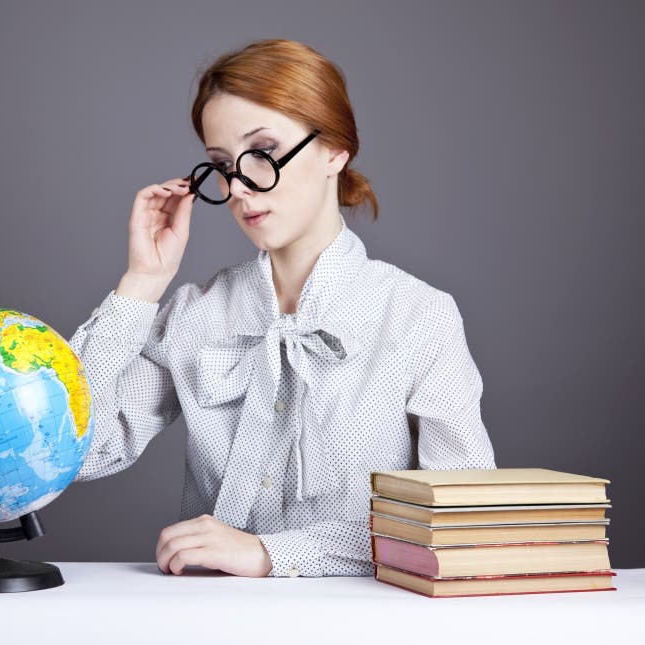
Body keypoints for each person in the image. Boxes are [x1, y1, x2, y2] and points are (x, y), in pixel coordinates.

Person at [68, 38, 496, 578]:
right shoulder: (195, 316)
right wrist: (140, 285)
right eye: (221, 165)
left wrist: (274, 554)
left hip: (369, 623)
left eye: (264, 153)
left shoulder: (416, 315)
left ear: (335, 151)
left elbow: (460, 522)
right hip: (210, 619)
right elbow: (75, 453)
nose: (241, 186)